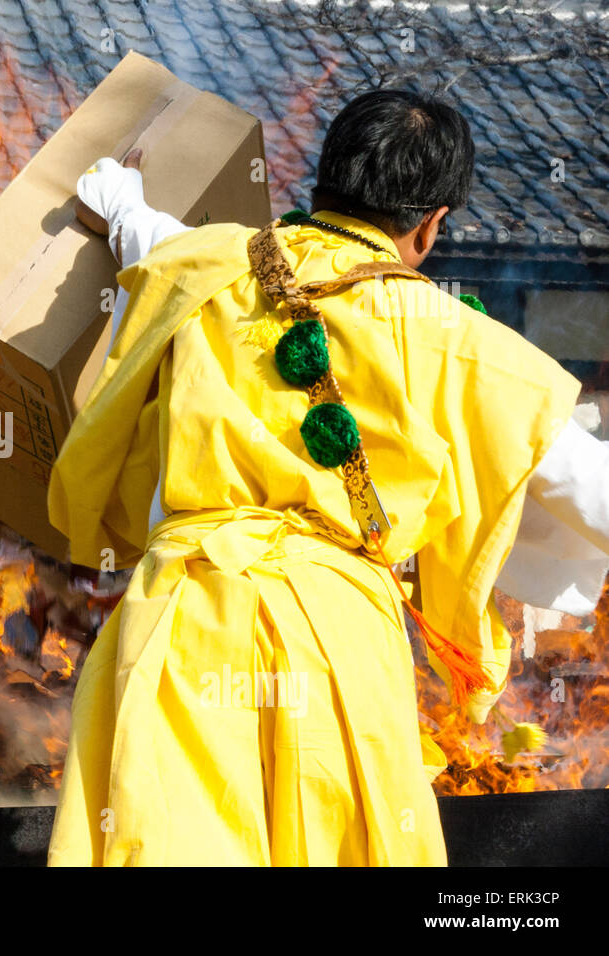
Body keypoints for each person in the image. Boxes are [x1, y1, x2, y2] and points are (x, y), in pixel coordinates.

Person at [47, 90, 609, 866]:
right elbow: (590, 486)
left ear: (326, 182)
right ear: (431, 224)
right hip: (333, 640)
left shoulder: (203, 267)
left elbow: (133, 224)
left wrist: (117, 191)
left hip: (182, 621)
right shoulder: (459, 343)